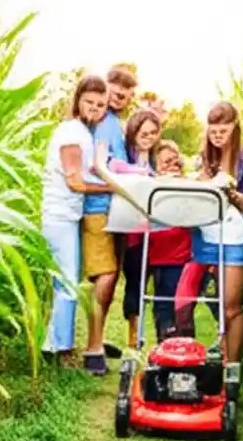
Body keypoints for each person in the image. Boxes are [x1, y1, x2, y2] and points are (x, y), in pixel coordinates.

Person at [173, 102, 243, 366]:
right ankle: (203, 350)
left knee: (230, 305)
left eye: (224, 130)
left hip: (235, 237)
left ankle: (230, 366)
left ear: (234, 128)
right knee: (187, 294)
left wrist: (229, 192)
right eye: (214, 131)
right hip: (206, 237)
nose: (218, 136)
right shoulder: (205, 157)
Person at [40, 75, 111, 370]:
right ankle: (58, 349)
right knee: (67, 283)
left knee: (66, 281)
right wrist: (111, 187)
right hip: (59, 217)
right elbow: (75, 183)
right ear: (78, 100)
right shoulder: (71, 131)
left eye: (100, 105)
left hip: (68, 217)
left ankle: (54, 345)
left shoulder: (83, 131)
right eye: (89, 102)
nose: (94, 109)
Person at [80, 65, 137, 373]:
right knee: (105, 275)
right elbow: (99, 165)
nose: (118, 100)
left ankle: (98, 340)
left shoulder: (115, 122)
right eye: (114, 93)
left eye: (124, 96)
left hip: (113, 209)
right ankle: (92, 349)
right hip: (98, 206)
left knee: (110, 278)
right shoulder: (103, 122)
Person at [107, 109, 162, 348]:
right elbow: (114, 166)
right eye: (143, 132)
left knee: (157, 282)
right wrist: (142, 173)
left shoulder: (157, 158)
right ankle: (133, 337)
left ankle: (160, 337)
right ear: (133, 132)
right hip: (132, 231)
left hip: (156, 230)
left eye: (152, 133)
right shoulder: (126, 156)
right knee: (135, 280)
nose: (147, 137)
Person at [147, 140, 193, 341]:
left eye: (176, 161)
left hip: (185, 257)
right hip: (161, 258)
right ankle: (165, 344)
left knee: (183, 305)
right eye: (166, 162)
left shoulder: (190, 186)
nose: (173, 165)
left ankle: (185, 344)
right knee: (164, 304)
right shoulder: (153, 189)